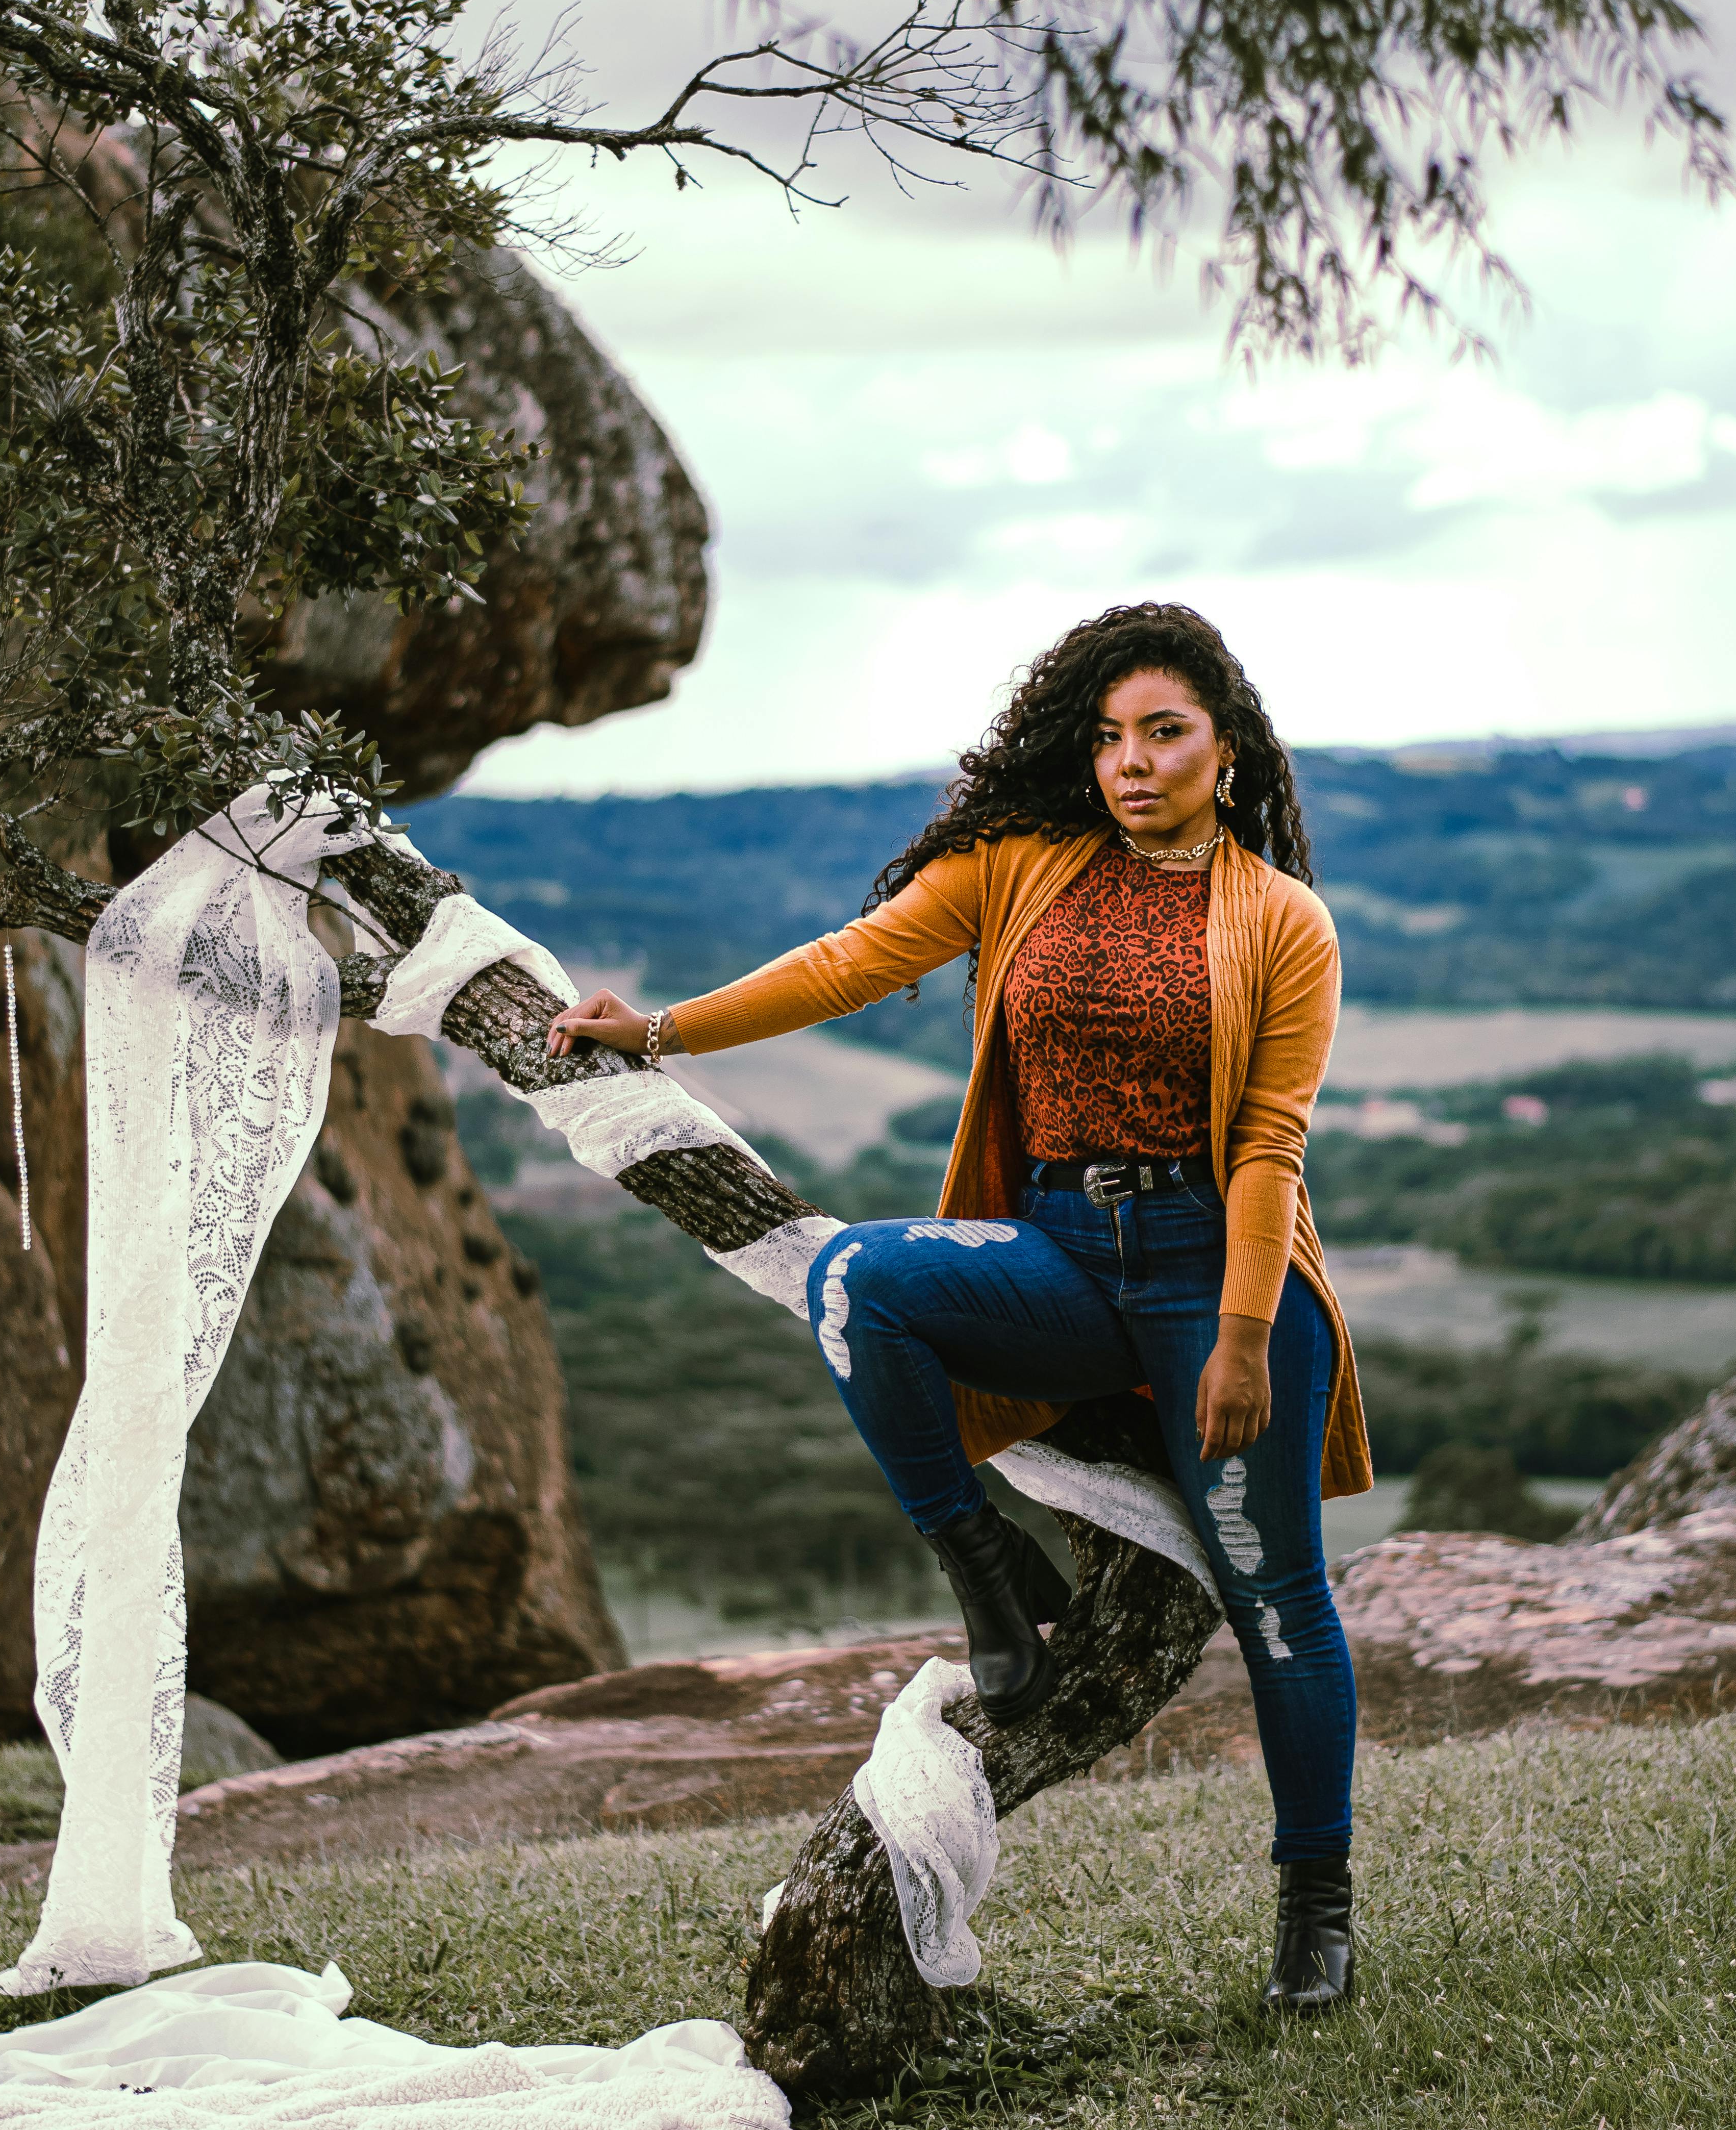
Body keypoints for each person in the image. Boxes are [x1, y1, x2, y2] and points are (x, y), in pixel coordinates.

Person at [547, 600, 1370, 2013]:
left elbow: (1270, 1146)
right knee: (862, 1283)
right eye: (1109, 737)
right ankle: (985, 1568)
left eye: (1166, 733)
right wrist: (660, 1031)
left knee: (1278, 1600)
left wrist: (1242, 1337)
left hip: (1212, 1270)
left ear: (1226, 753)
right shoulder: (1022, 867)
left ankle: (1318, 1905)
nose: (1133, 762)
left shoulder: (1283, 921)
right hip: (1054, 1246)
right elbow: (849, 961)